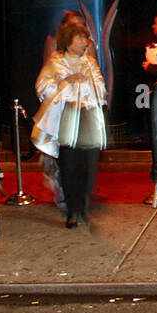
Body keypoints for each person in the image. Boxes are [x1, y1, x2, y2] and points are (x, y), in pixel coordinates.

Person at [32, 21, 107, 229]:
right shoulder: (55, 64)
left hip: (88, 117)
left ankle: (83, 206)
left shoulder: (90, 63)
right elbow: (42, 88)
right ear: (69, 41)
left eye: (86, 38)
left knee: (89, 166)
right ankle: (72, 210)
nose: (86, 42)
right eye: (80, 38)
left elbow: (101, 88)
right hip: (66, 118)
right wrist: (66, 83)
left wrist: (90, 88)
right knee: (70, 166)